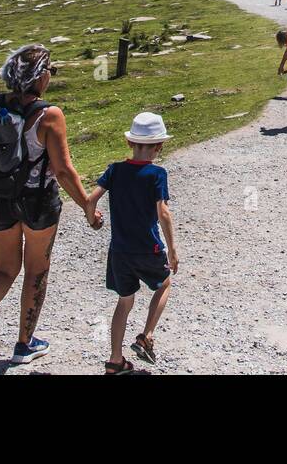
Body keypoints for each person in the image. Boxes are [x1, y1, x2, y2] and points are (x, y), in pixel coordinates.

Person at [0, 45, 100, 373]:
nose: (51, 75)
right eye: (50, 69)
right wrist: (87, 206)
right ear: (41, 75)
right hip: (38, 203)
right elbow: (63, 171)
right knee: (36, 270)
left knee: (3, 268)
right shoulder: (49, 115)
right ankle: (24, 344)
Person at [83, 112, 178, 375]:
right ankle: (146, 335)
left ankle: (115, 361)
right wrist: (172, 249)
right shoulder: (157, 174)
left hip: (120, 251)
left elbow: (91, 200)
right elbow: (164, 212)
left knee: (124, 302)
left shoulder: (114, 170)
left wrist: (93, 220)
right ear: (159, 146)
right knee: (165, 282)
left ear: (130, 143)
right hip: (149, 248)